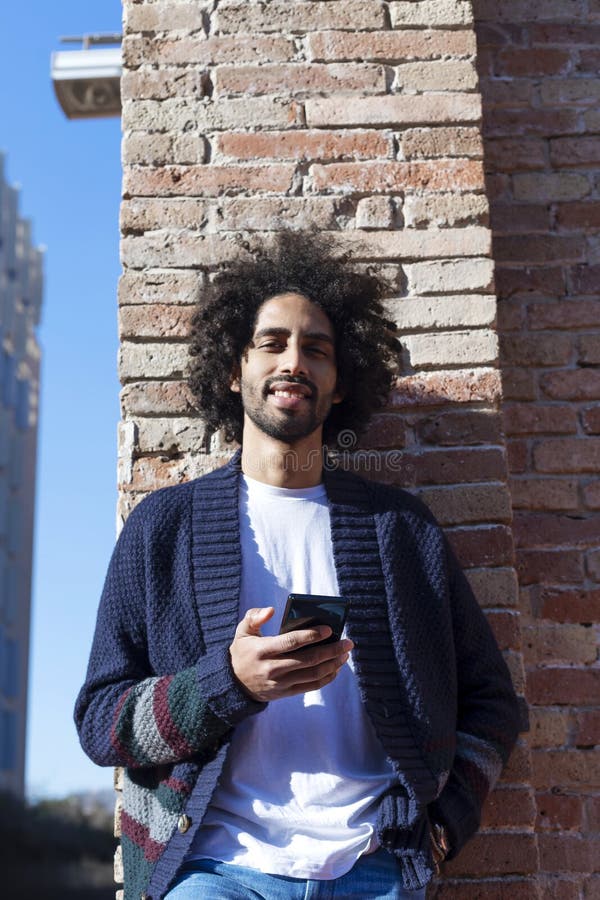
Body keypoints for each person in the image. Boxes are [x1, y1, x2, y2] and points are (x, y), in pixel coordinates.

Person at [75, 231, 521, 900]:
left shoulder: (399, 531)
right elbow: (100, 721)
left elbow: (492, 702)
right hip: (209, 868)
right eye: (272, 343)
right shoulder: (162, 530)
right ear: (234, 369)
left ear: (340, 384)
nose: (294, 362)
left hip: (372, 867)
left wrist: (449, 821)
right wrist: (227, 682)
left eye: (316, 349)